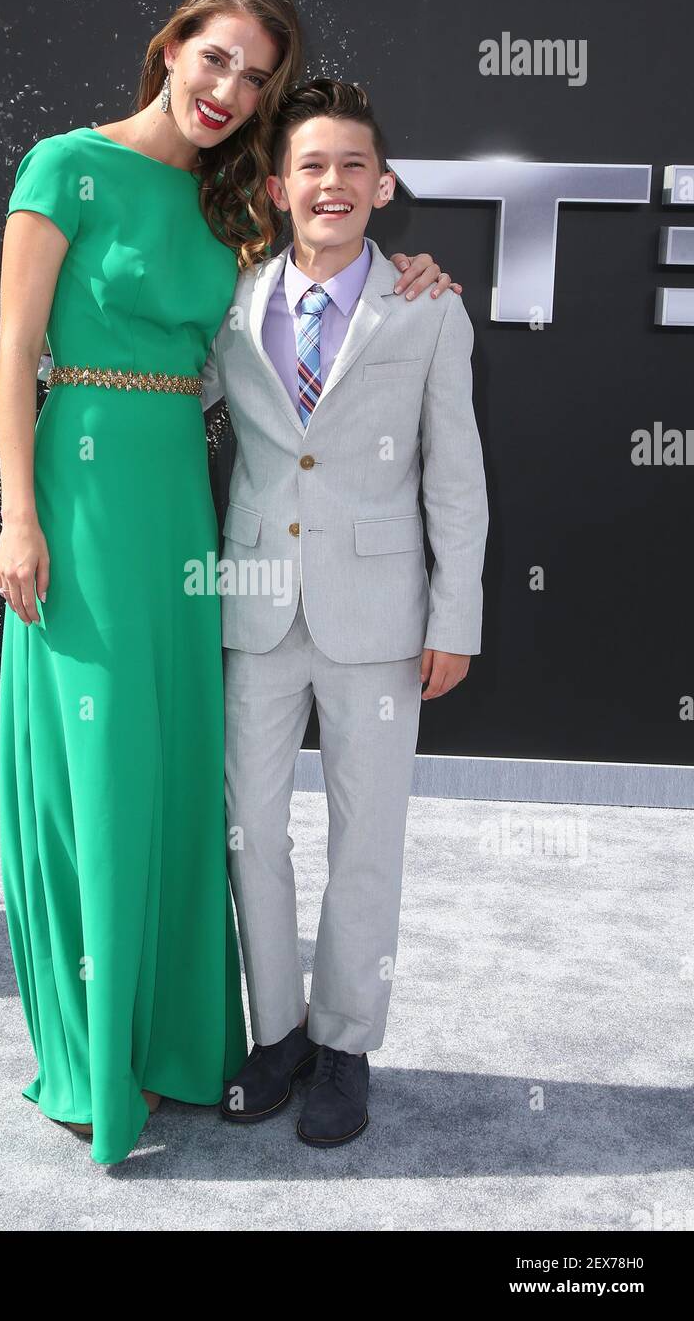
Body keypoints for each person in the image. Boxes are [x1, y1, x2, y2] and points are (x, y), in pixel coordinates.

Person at [0, 0, 459, 1166]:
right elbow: (13, 350)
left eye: (254, 78)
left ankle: (238, 1041)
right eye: (218, 59)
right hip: (85, 493)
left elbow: (312, 296)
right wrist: (17, 514)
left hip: (184, 525)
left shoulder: (226, 214)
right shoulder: (64, 165)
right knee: (103, 777)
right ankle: (103, 1050)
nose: (229, 89)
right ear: (172, 45)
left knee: (189, 788)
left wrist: (416, 273)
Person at [205, 80, 489, 1147]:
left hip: (379, 615)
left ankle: (346, 1044)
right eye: (311, 167)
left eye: (352, 166)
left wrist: (453, 615)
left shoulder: (428, 308)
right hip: (253, 607)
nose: (332, 184)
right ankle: (276, 1030)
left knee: (368, 838)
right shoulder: (230, 305)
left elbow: (455, 479)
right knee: (252, 831)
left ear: (385, 184)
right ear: (277, 188)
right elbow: (162, 398)